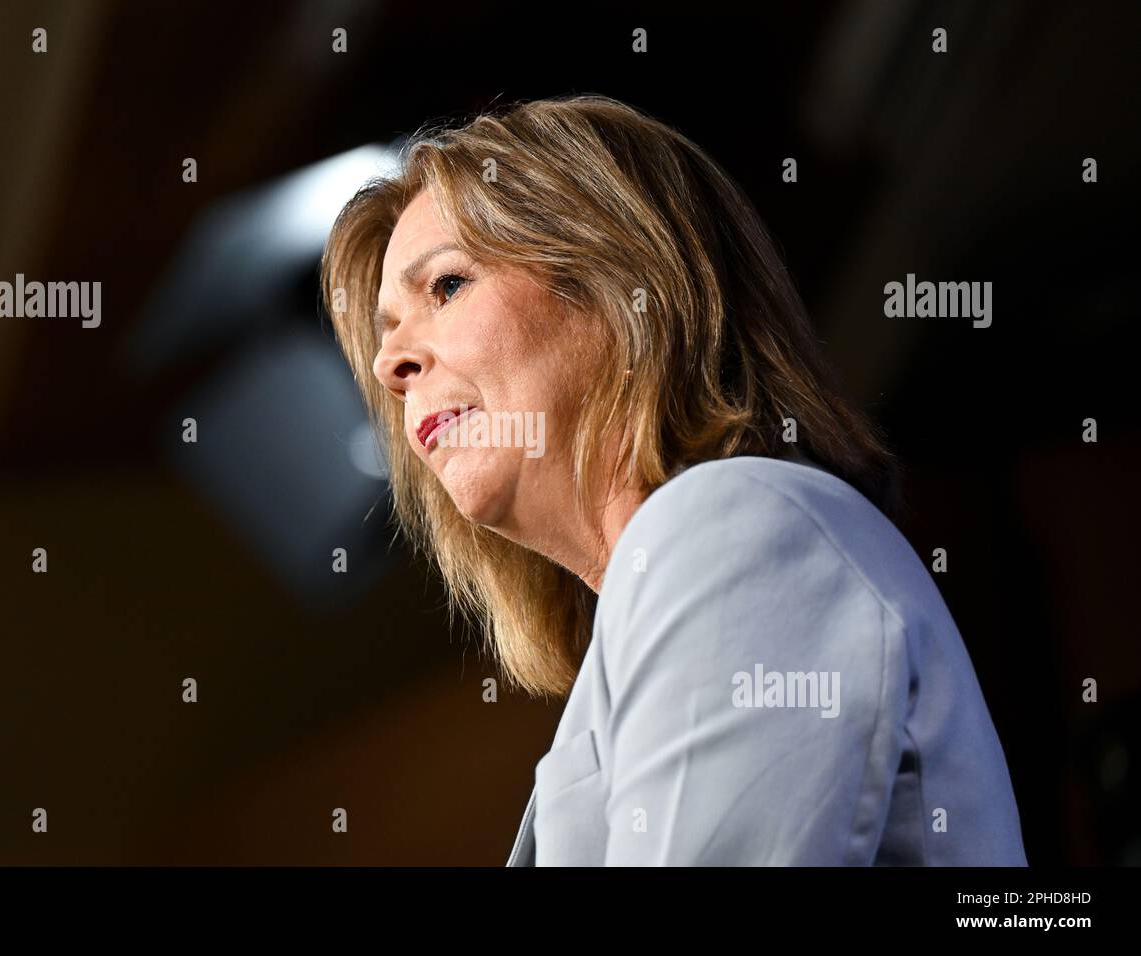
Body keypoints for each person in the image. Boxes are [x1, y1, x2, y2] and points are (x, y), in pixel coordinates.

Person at [319, 94, 1027, 866]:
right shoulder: (668, 589)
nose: (392, 367)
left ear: (619, 284)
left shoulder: (739, 527)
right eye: (386, 340)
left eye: (447, 286)